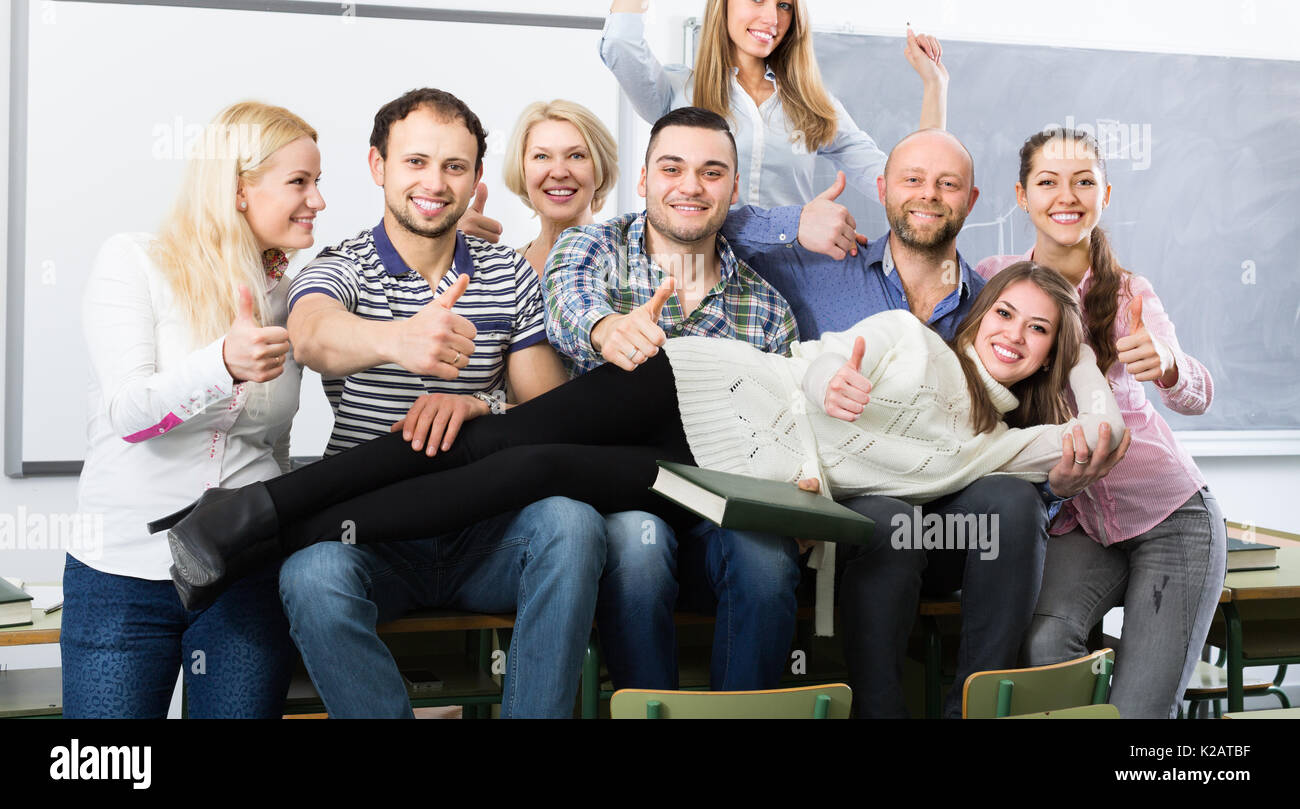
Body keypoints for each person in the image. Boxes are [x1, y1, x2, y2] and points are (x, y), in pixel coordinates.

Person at [156, 263, 1127, 681]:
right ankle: (259, 515)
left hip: (724, 472)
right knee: (508, 445)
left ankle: (251, 527)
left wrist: (1081, 350)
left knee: (533, 467)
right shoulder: (912, 336)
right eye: (1004, 315)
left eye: (1036, 332)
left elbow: (1101, 433)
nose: (1013, 335)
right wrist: (838, 385)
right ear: (975, 317)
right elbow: (845, 354)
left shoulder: (991, 445)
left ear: (1046, 357)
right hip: (702, 382)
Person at [722, 127, 1132, 717]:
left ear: (972, 199)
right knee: (892, 520)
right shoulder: (821, 270)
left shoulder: (990, 308)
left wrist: (1081, 368)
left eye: (948, 184)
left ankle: (974, 708)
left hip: (950, 532)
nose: (929, 194)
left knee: (1010, 502)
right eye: (913, 179)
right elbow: (700, 223)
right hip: (851, 516)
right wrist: (790, 224)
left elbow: (1038, 450)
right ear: (883, 187)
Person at [260, 87, 605, 719]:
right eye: (415, 162)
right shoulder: (343, 266)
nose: (435, 182)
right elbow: (311, 335)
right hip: (369, 536)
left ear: (476, 177)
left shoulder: (509, 275)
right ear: (378, 168)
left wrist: (484, 410)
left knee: (573, 524)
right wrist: (400, 340)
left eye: (454, 166)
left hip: (484, 533)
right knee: (310, 577)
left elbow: (548, 417)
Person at [62, 101, 324, 717]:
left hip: (243, 571)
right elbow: (130, 415)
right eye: (300, 182)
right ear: (239, 189)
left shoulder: (293, 298)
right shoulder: (134, 262)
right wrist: (220, 363)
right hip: (122, 571)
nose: (317, 200)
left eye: (318, 182)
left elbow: (273, 445)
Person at [544, 106, 800, 692]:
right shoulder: (593, 247)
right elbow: (568, 307)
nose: (690, 186)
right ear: (643, 179)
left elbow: (781, 429)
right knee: (639, 546)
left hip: (722, 511)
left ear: (734, 188)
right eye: (672, 168)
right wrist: (609, 329)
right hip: (622, 500)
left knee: (767, 557)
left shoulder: (767, 308)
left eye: (712, 172)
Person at [977, 126, 1227, 718]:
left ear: (1105, 194)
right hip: (1079, 521)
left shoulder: (1128, 294)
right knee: (1043, 644)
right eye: (1048, 182)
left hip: (1173, 518)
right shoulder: (997, 277)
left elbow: (1197, 396)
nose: (1066, 196)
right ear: (1021, 195)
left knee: (1141, 713)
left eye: (1083, 182)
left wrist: (1168, 367)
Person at [602, 0, 949, 218]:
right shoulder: (677, 94)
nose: (772, 18)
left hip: (788, 272)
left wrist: (935, 86)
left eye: (784, 5)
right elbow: (621, 42)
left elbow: (904, 187)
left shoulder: (813, 106)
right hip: (702, 269)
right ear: (723, 2)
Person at [500, 99, 620, 277]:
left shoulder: (628, 266)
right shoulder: (504, 269)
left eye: (576, 156)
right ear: (521, 167)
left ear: (599, 166)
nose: (558, 172)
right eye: (541, 156)